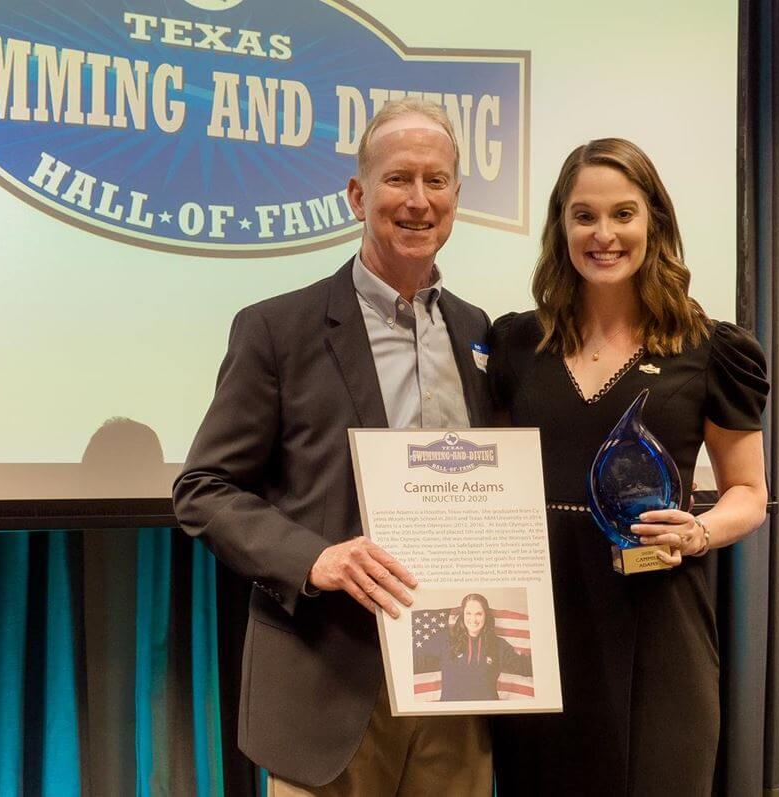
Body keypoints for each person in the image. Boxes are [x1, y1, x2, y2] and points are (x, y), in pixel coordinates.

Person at [173, 98, 496, 796]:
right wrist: (314, 558)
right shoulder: (277, 330)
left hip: (457, 690)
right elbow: (203, 489)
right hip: (329, 689)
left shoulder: (479, 333)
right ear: (357, 194)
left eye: (436, 181)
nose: (418, 200)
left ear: (456, 197)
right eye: (398, 178)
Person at [488, 138, 770, 795]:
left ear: (655, 224)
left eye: (623, 214)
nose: (604, 233)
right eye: (584, 215)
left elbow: (750, 492)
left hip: (659, 620)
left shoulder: (711, 349)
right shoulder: (514, 344)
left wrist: (699, 530)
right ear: (561, 226)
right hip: (539, 626)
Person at [416, 593, 533, 701]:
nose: (473, 619)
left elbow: (525, 667)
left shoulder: (498, 645)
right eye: (468, 613)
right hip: (452, 714)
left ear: (486, 616)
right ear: (462, 615)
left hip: (488, 715)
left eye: (478, 614)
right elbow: (417, 661)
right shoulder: (445, 639)